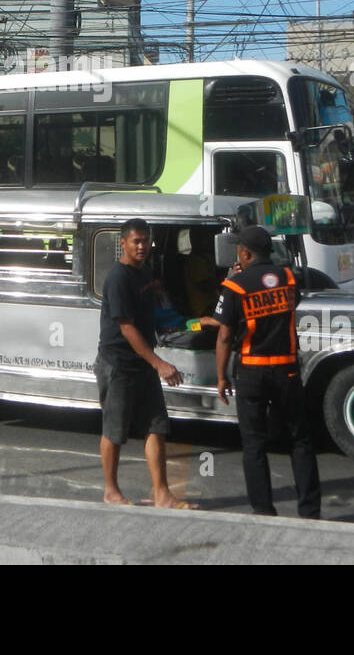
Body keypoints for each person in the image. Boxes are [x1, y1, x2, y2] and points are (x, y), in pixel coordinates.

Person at [214, 224, 321, 519]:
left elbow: (224, 336)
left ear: (244, 253)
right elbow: (291, 304)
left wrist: (221, 376)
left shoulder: (235, 285)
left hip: (252, 372)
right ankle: (310, 511)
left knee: (254, 445)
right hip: (286, 370)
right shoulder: (288, 278)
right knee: (300, 441)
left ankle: (263, 510)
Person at [96, 218, 197, 509]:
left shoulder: (145, 275)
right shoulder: (118, 278)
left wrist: (195, 324)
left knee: (156, 426)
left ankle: (162, 493)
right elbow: (126, 328)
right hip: (118, 364)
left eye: (145, 240)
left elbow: (155, 318)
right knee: (114, 431)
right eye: (136, 241)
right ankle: (111, 491)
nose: (142, 246)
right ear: (123, 243)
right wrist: (160, 364)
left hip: (142, 363)